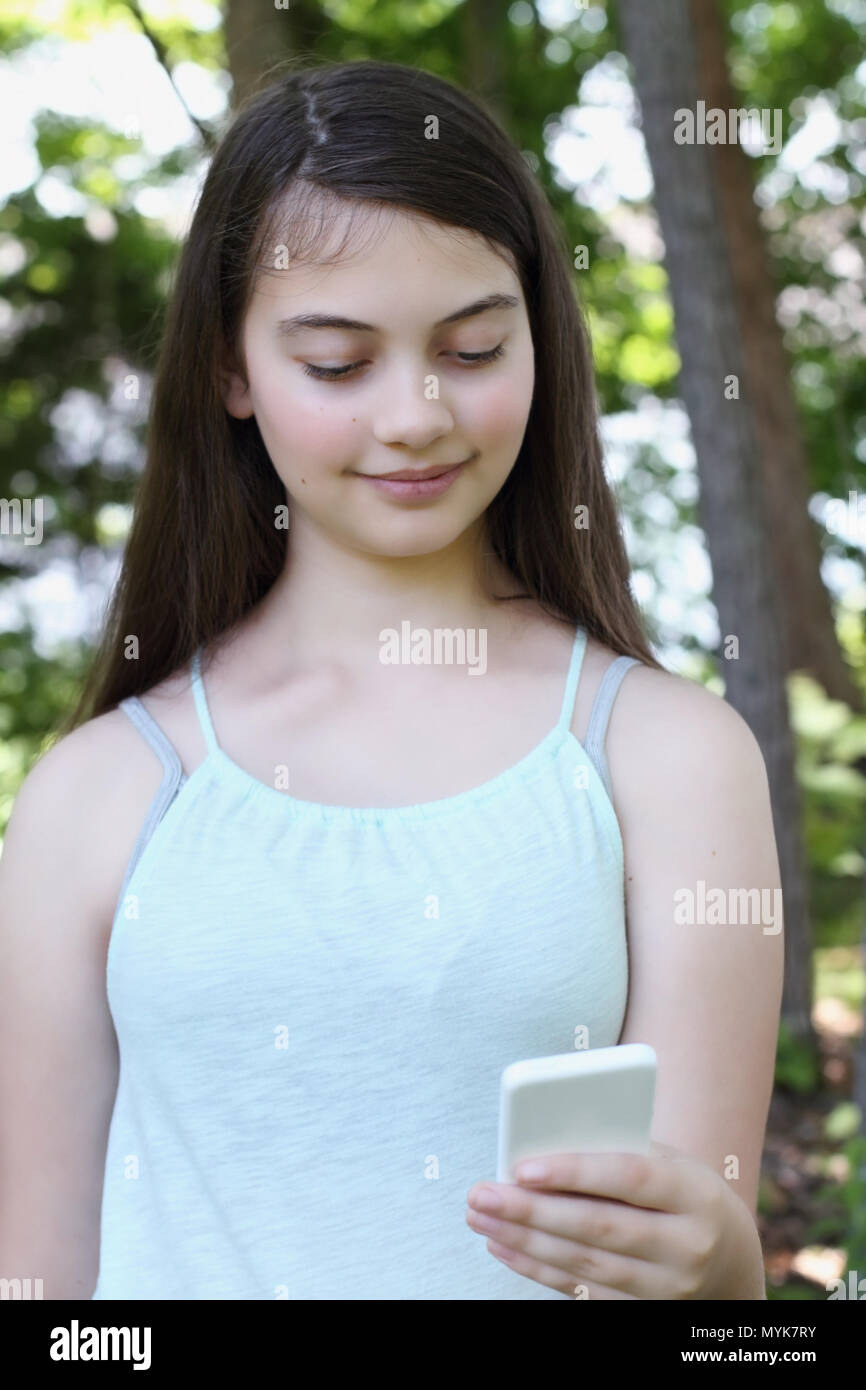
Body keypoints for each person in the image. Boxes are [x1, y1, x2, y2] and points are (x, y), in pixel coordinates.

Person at [0, 59, 782, 1300]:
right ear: (230, 369)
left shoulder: (670, 760)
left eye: (471, 347)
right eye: (336, 362)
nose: (416, 414)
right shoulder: (96, 795)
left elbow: (701, 1263)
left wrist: (726, 1270)